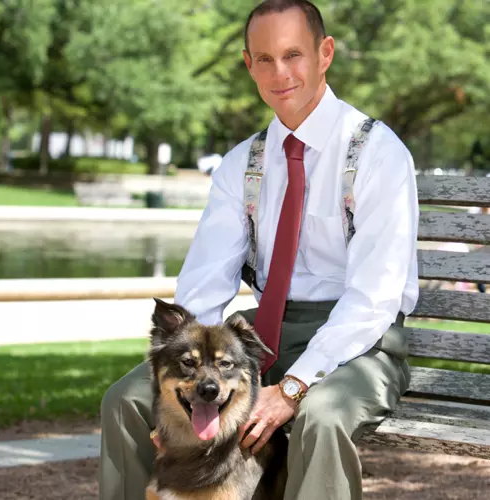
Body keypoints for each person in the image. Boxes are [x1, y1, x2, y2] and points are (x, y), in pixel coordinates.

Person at [98, 1, 419, 499]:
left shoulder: (376, 153)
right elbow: (203, 286)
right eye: (264, 59)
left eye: (294, 54)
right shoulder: (239, 166)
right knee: (126, 401)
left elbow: (374, 299)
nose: (280, 73)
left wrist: (293, 386)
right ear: (249, 65)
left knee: (323, 416)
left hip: (361, 342)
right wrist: (189, 365)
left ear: (325, 53)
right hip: (259, 338)